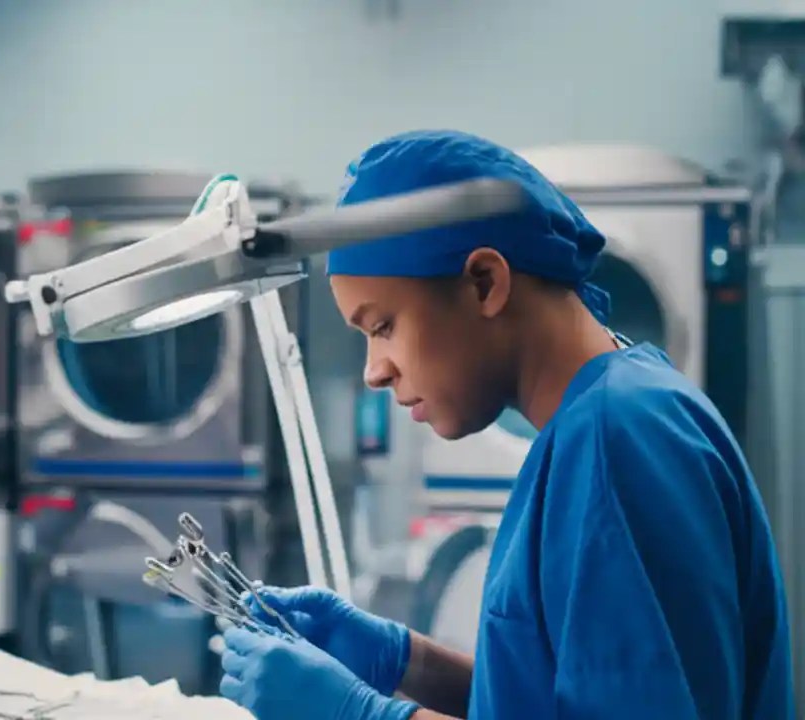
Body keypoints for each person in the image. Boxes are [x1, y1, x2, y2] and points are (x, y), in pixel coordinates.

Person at [216, 130, 796, 720]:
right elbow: (553, 702)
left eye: (383, 326)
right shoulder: (614, 414)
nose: (374, 372)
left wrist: (359, 715)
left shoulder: (615, 440)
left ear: (485, 283)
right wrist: (404, 660)